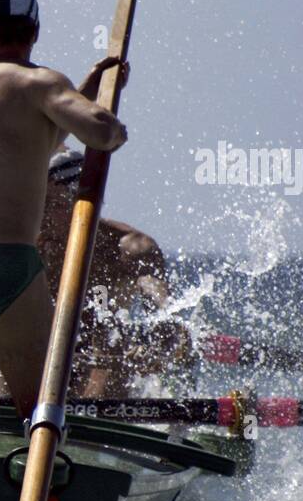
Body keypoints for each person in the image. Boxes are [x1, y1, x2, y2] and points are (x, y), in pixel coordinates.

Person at [0, 0, 128, 416]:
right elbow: (99, 132)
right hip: (3, 262)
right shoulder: (39, 83)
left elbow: (33, 139)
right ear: (34, 32)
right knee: (39, 412)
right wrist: (113, 124)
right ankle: (48, 483)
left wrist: (88, 86)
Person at [40, 148, 191, 396]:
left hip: (106, 352)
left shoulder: (132, 247)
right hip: (45, 348)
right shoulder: (33, 243)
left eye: (53, 204)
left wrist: (163, 331)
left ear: (83, 204)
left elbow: (158, 298)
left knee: (111, 351)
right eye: (41, 203)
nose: (43, 215)